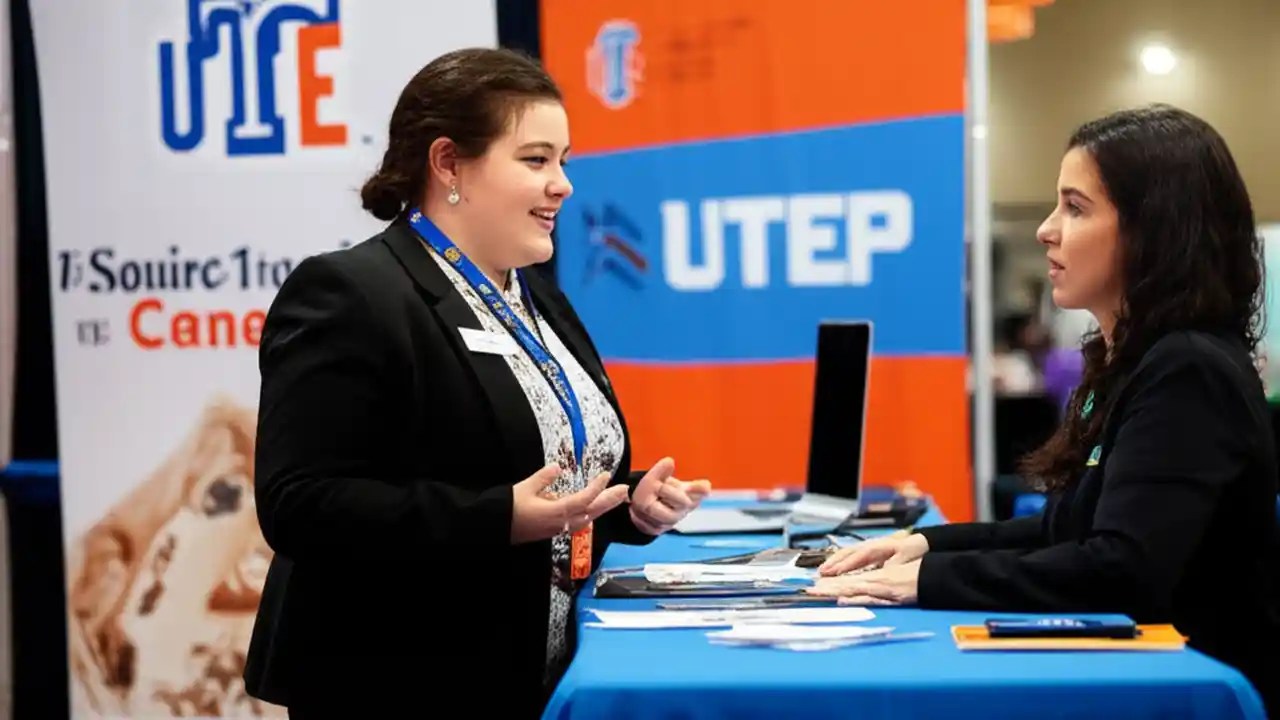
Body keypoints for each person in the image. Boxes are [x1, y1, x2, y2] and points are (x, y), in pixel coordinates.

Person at [241, 47, 711, 718]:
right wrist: (499, 519)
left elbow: (532, 470)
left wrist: (628, 503)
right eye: (535, 160)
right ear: (448, 163)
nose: (563, 185)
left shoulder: (535, 294)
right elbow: (300, 505)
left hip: (531, 677)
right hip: (402, 680)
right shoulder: (349, 292)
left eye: (564, 161)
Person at [810, 105, 1280, 713]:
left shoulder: (1187, 369)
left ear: (1152, 232)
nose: (1046, 230)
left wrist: (927, 584)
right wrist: (925, 546)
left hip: (1186, 691)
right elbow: (1070, 527)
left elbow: (1121, 568)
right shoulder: (1141, 360)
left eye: (1076, 209)